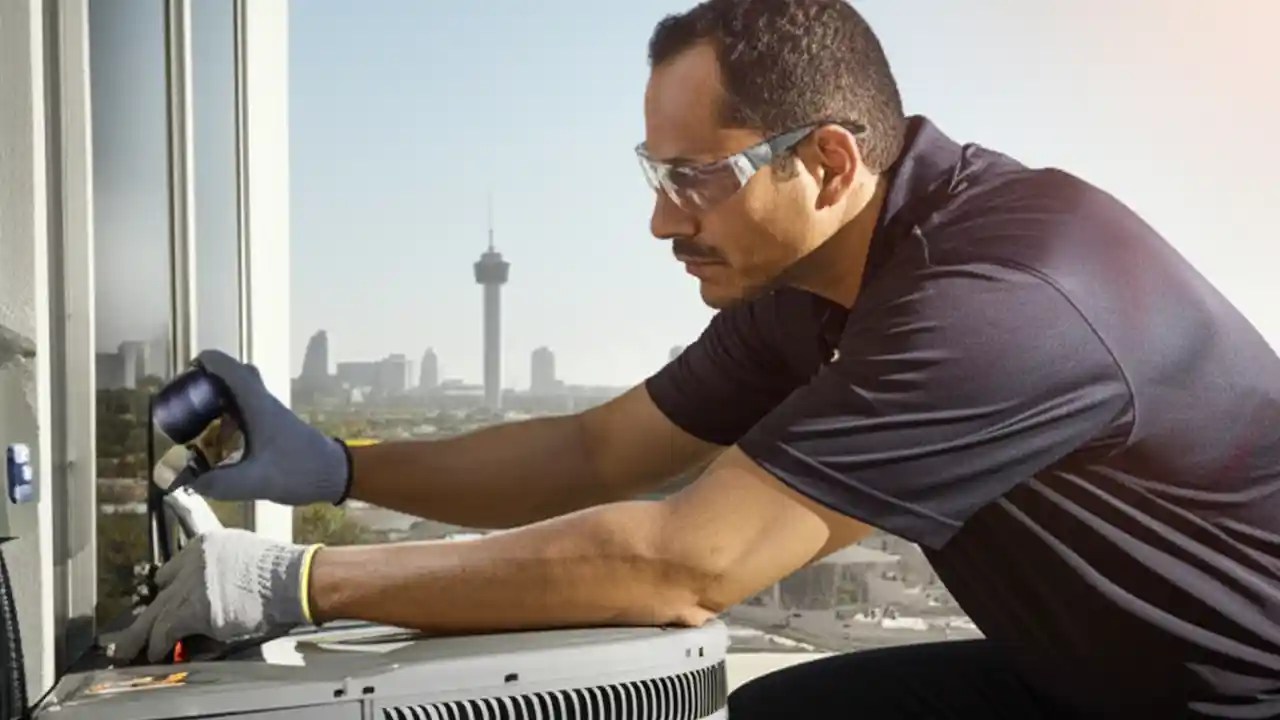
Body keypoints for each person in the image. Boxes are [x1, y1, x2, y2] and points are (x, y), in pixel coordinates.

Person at [103, 0, 1280, 717]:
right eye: (651, 176)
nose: (662, 223)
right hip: (1067, 678)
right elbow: (596, 447)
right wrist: (342, 468)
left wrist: (296, 584)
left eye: (691, 181)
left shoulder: (998, 301)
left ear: (822, 163)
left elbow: (682, 563)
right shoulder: (819, 277)